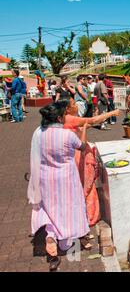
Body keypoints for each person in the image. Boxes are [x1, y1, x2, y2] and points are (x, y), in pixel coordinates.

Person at [28, 101, 90, 271]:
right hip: (66, 180)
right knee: (68, 210)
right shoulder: (67, 136)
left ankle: (51, 236)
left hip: (45, 179)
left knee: (50, 210)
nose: (65, 118)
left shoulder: (38, 133)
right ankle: (66, 242)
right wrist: (83, 129)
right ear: (58, 117)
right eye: (64, 115)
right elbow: (83, 147)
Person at [63, 98, 120, 226]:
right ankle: (88, 216)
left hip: (78, 154)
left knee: (86, 184)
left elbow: (89, 123)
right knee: (86, 185)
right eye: (73, 104)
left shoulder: (69, 119)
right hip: (79, 155)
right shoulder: (69, 118)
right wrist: (112, 113)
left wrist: (100, 118)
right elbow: (92, 121)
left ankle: (87, 214)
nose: (76, 106)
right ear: (67, 109)